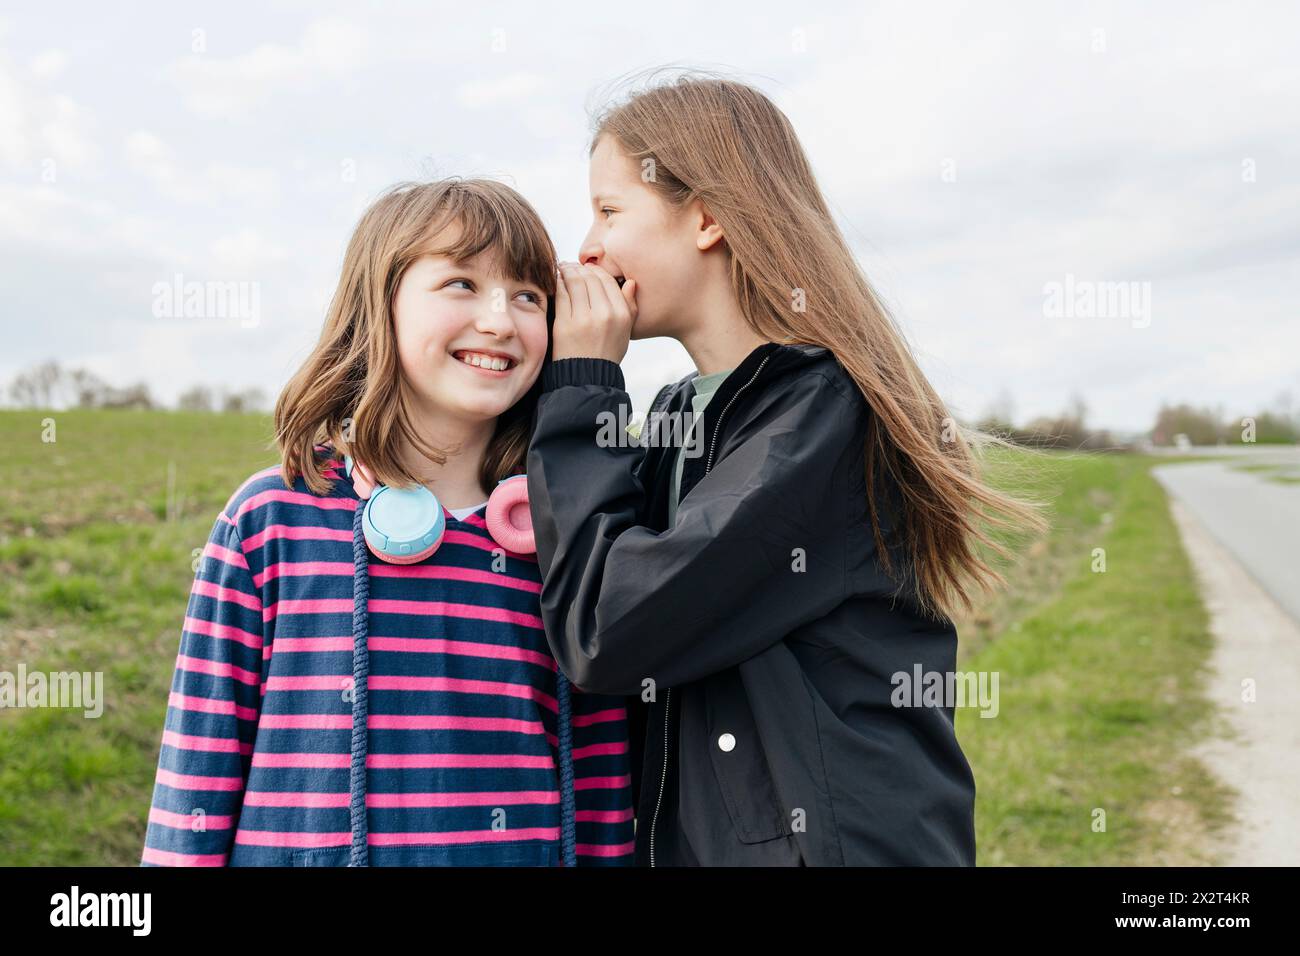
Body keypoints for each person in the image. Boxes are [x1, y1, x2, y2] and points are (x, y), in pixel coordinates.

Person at [527, 74, 1046, 865]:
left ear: (705, 217)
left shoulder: (825, 416)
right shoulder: (680, 413)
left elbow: (607, 628)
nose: (587, 248)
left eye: (608, 210)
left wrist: (580, 387)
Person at [142, 179, 635, 866]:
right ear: (380, 305)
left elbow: (604, 777)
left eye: (528, 296)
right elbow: (198, 766)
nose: (500, 321)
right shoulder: (270, 520)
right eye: (461, 283)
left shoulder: (568, 536)